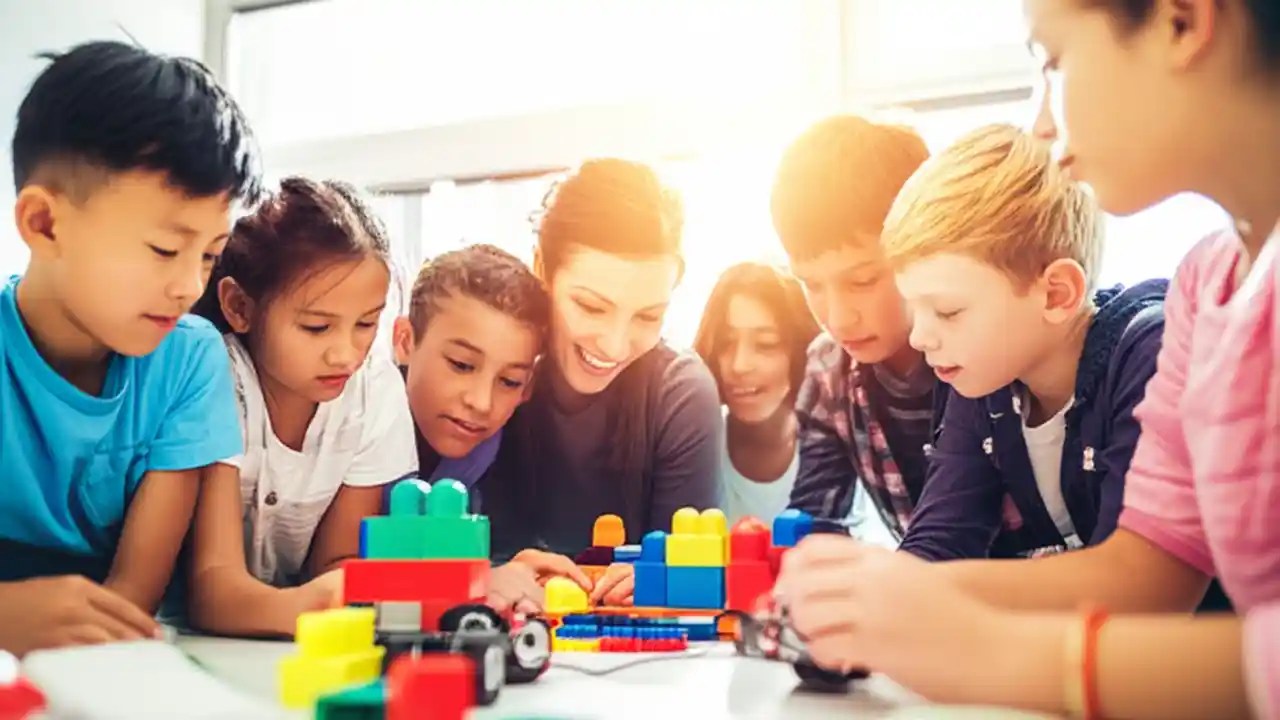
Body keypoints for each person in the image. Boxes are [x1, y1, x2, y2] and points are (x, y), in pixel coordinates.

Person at [777, 2, 1280, 718]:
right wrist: (881, 598)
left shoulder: (1150, 331)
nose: (1041, 124)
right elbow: (1147, 563)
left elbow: (1159, 594)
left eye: (1053, 62)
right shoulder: (1206, 286)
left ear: (1180, 21)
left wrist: (979, 645)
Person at [0, 41, 260, 655]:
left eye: (209, 253)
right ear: (44, 224)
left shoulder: (188, 357)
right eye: (165, 250)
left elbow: (127, 603)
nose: (189, 285)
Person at [886, 123, 1166, 561]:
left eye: (948, 311)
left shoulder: (1149, 360)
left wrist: (923, 591)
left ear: (1055, 294)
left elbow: (1136, 582)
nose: (920, 337)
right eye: (913, 308)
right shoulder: (983, 375)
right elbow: (940, 543)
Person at [488, 158, 722, 604]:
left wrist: (669, 579)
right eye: (592, 307)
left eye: (648, 315)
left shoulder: (679, 393)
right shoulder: (496, 374)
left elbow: (693, 577)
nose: (615, 345)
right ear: (542, 268)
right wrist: (490, 576)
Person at [770, 115, 938, 540]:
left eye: (862, 281)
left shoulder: (977, 353)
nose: (838, 317)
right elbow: (817, 517)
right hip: (922, 590)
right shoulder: (829, 370)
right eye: (811, 284)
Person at [393, 244, 589, 589]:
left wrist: (515, 566)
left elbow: (505, 558)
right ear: (405, 341)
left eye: (510, 381)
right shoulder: (359, 424)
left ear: (527, 387)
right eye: (461, 364)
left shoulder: (514, 450)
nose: (482, 403)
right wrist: (476, 582)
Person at [693, 262, 820, 524]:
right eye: (726, 343)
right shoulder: (689, 445)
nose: (740, 365)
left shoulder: (834, 450)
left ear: (801, 349)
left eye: (766, 344)